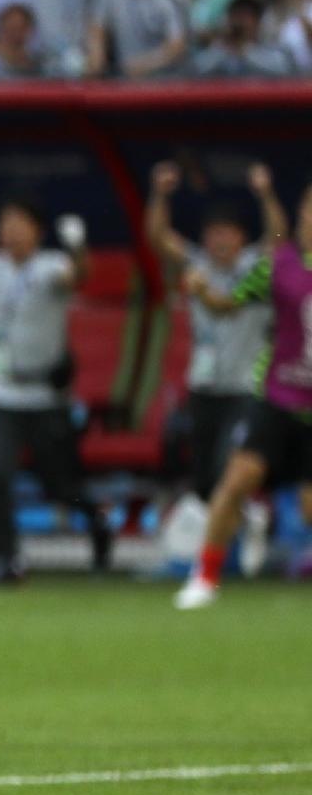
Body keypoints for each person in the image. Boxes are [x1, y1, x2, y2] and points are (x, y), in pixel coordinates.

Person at [0, 196, 113, 582]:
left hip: (47, 396)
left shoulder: (49, 268)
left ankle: (96, 521)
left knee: (61, 485)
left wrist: (78, 246)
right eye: (5, 223)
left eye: (20, 224)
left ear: (38, 231)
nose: (10, 232)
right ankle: (5, 558)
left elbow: (78, 274)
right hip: (3, 393)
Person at [176, 182, 312, 609]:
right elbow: (227, 305)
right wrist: (202, 294)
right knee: (235, 481)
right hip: (275, 398)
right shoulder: (278, 265)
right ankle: (205, 576)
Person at [145, 160, 284, 567]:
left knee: (230, 466)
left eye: (227, 232)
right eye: (213, 233)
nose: (219, 240)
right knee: (205, 482)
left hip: (246, 390)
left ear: (242, 237)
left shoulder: (257, 269)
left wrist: (265, 195)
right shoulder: (196, 265)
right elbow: (157, 237)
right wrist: (160, 194)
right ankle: (237, 537)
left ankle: (253, 520)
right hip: (204, 389)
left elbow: (278, 238)